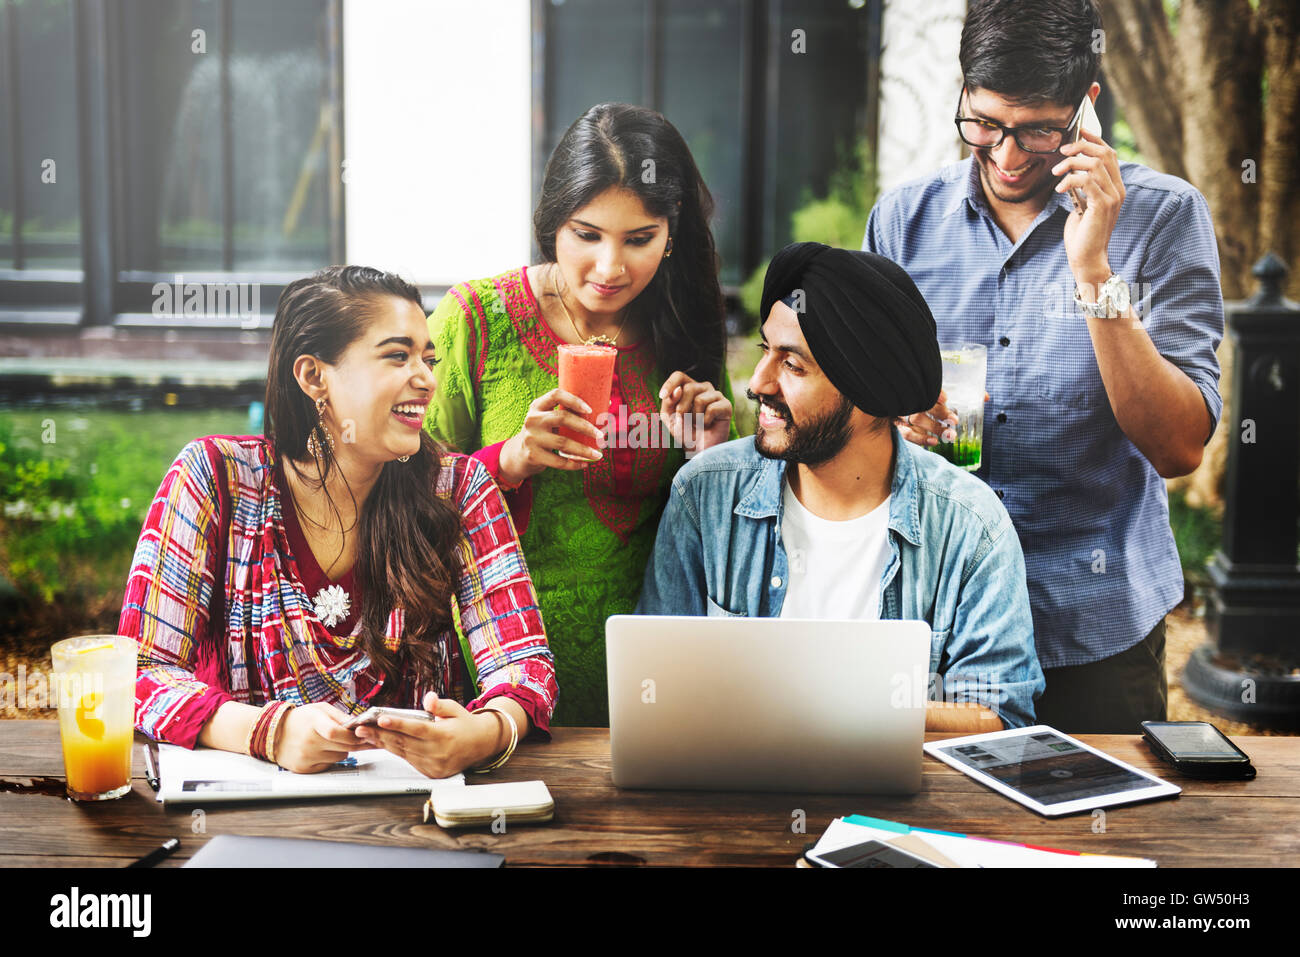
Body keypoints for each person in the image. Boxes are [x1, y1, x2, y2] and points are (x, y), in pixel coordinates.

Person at [865, 0, 1224, 733]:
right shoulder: (902, 221)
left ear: (1086, 108)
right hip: (938, 617)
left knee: (1094, 840)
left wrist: (1093, 269)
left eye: (1036, 131)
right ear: (963, 94)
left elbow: (1178, 445)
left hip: (1092, 630)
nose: (1005, 156)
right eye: (985, 125)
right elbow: (852, 414)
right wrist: (894, 417)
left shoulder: (1165, 219)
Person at [121, 266, 557, 777]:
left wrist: (486, 733)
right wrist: (271, 733)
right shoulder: (216, 479)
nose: (426, 378)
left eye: (428, 358)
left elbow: (526, 666)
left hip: (418, 820)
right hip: (250, 826)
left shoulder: (459, 488)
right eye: (398, 356)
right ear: (313, 377)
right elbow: (138, 673)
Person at [637, 242, 1045, 731]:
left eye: (792, 365)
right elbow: (652, 688)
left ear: (869, 391)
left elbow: (1000, 713)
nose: (757, 383)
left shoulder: (970, 523)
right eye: (767, 351)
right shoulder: (703, 494)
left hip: (901, 808)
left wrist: (833, 706)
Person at [423, 103, 735, 726]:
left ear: (673, 233)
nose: (610, 268)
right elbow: (393, 488)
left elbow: (733, 531)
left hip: (651, 668)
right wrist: (506, 461)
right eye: (586, 234)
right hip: (490, 669)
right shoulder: (477, 321)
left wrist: (715, 455)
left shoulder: (684, 325)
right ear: (551, 224)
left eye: (639, 239)